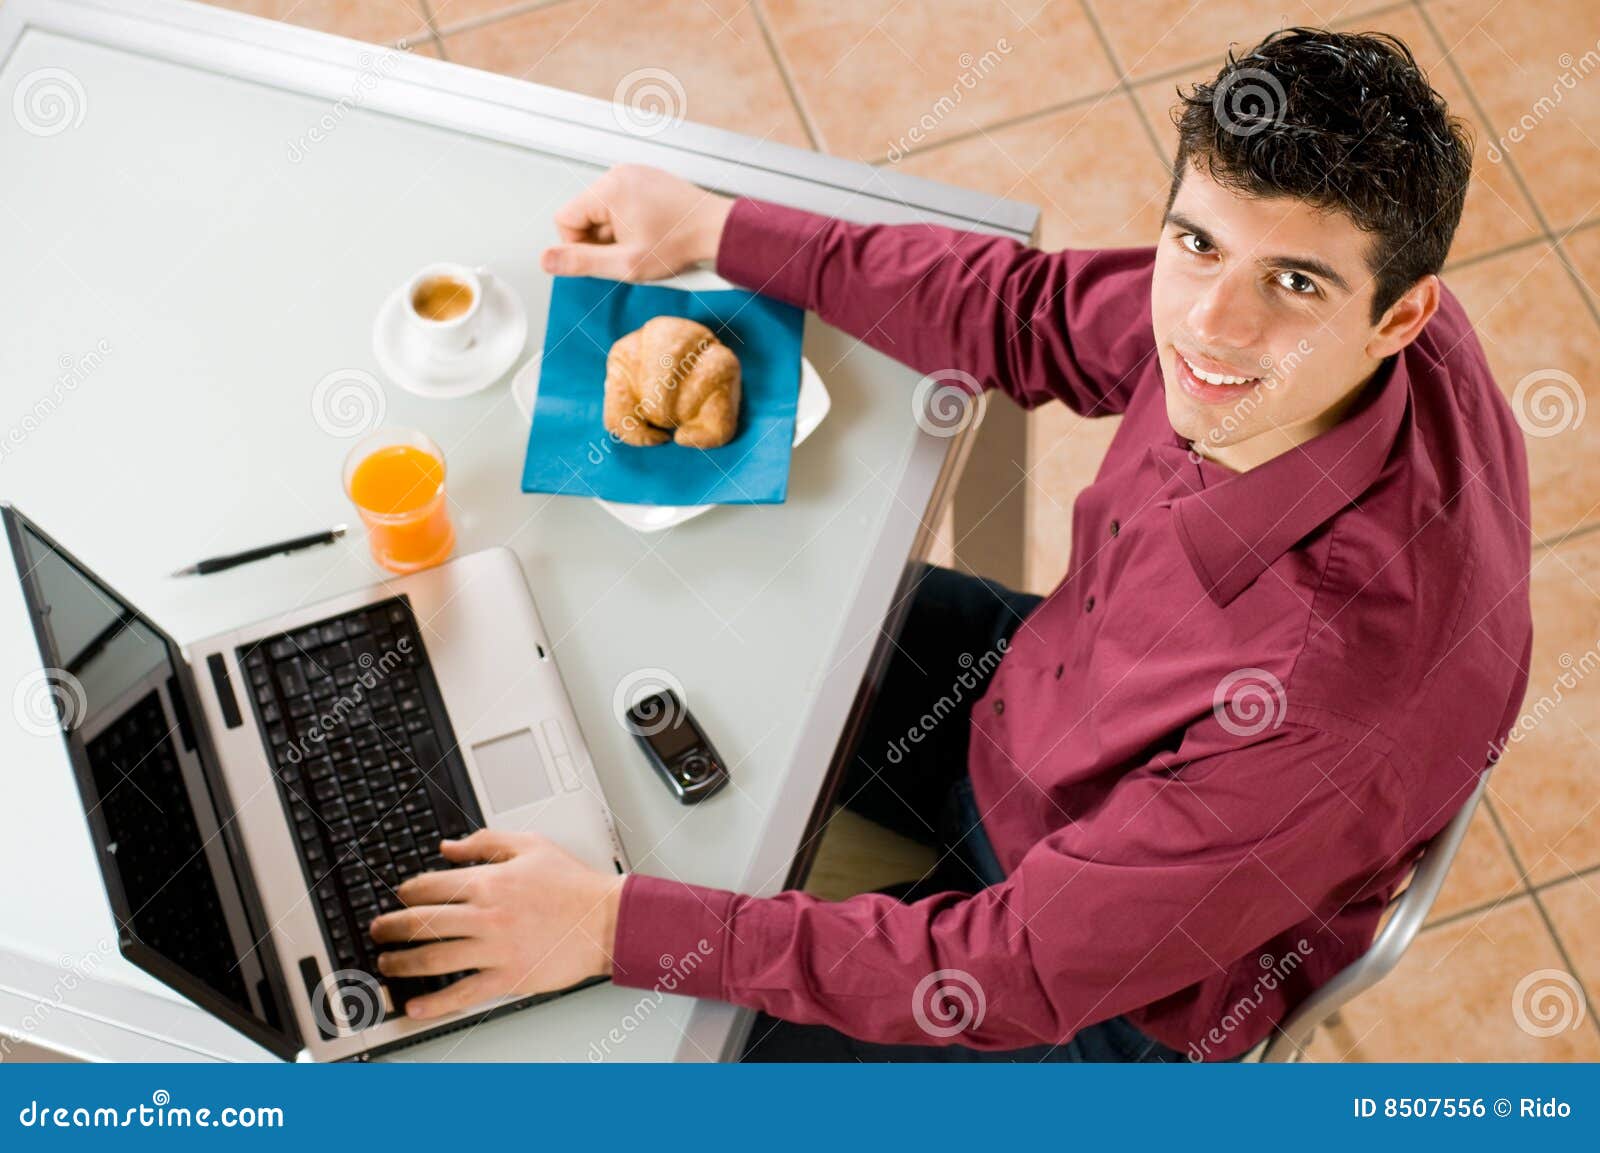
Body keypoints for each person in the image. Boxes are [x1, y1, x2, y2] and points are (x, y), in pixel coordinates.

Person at [368, 28, 1533, 1062]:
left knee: (637, 1053)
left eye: (1290, 283)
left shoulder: (1320, 706)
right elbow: (1023, 316)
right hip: (1037, 708)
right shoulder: (1319, 314)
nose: (1210, 329)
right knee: (690, 600)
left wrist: (616, 930)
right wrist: (718, 228)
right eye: (1195, 245)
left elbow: (1010, 971)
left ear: (1401, 316)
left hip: (1091, 1002)